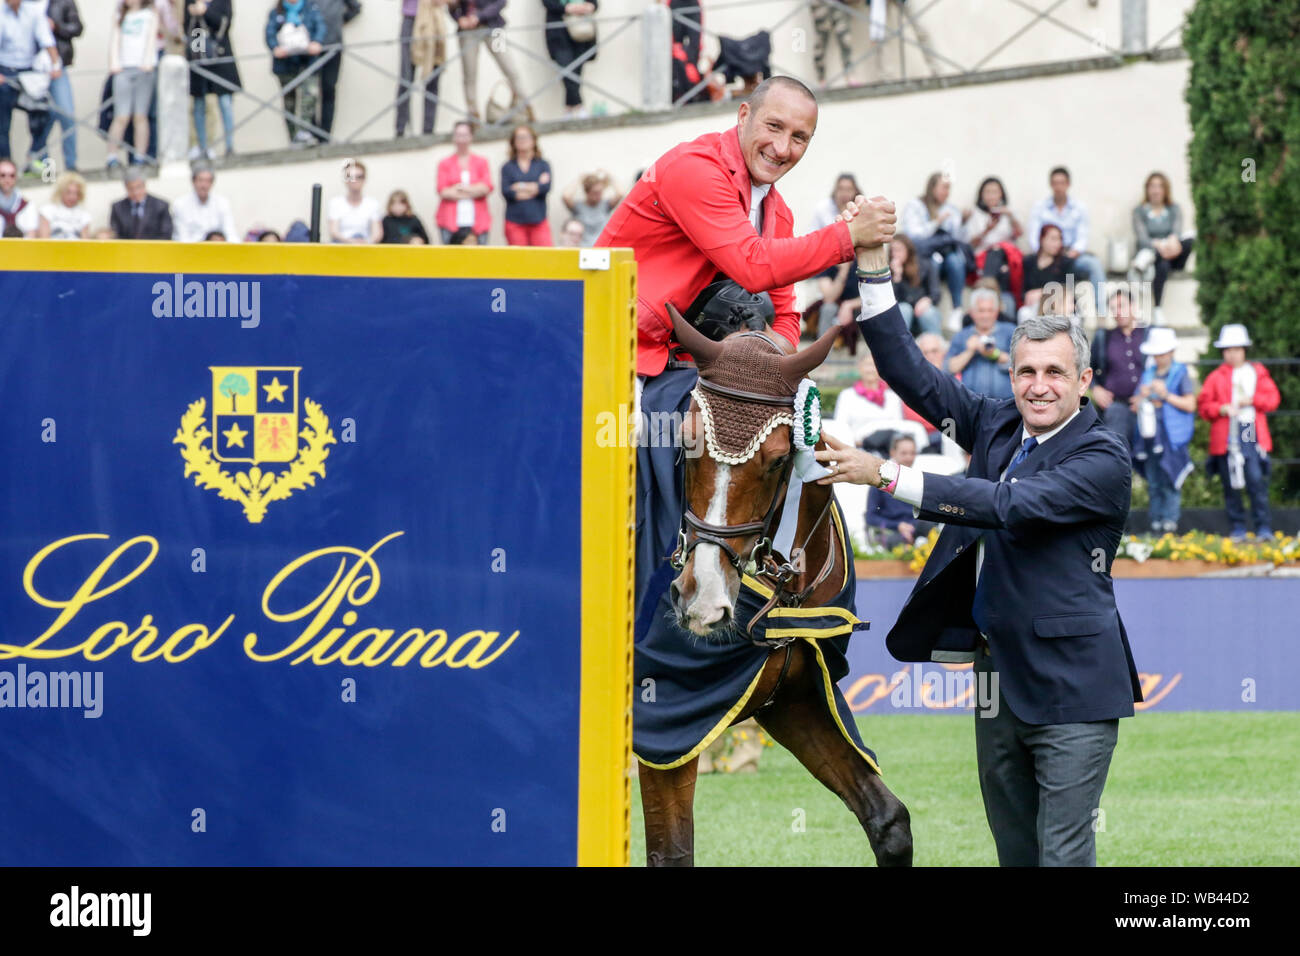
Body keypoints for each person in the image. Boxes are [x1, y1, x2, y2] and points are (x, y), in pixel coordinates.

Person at [821, 234, 1142, 866]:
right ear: (1010, 371)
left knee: (1063, 856)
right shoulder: (997, 422)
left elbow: (1007, 504)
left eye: (1055, 373)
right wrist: (874, 267)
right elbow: (907, 371)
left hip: (1075, 690)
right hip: (997, 681)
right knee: (1016, 856)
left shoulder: (1103, 456)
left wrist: (885, 475)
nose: (1039, 386)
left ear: (1083, 379)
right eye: (1026, 371)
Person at [595, 75, 894, 623]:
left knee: (790, 436)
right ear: (742, 117)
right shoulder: (694, 168)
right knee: (677, 438)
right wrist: (846, 239)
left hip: (682, 367)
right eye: (774, 127)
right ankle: (635, 612)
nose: (783, 148)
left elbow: (786, 315)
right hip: (612, 356)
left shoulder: (776, 211)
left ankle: (784, 584)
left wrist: (758, 361)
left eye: (800, 138)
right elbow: (753, 264)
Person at [1197, 324, 1280, 541]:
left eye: (1236, 349)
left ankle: (1263, 527)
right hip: (1226, 433)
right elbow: (1204, 406)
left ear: (1244, 350)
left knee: (1254, 477)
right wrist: (1222, 408)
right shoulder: (1216, 377)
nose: (1232, 354)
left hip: (1249, 428)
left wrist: (1252, 400)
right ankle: (1238, 527)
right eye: (1227, 350)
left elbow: (1272, 400)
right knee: (1230, 480)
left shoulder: (1257, 373)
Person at [1132, 327, 1196, 534]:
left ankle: (1170, 522)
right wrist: (1142, 396)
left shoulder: (1181, 372)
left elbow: (1190, 404)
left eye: (1162, 352)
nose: (1159, 357)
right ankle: (1156, 522)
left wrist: (1166, 395)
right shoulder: (1147, 374)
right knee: (1153, 481)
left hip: (1172, 438)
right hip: (1149, 436)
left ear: (1171, 352)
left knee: (1170, 479)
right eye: (1155, 353)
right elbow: (1134, 405)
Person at [1026, 166, 1106, 315]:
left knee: (1093, 264)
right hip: (1047, 253)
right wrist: (1047, 252)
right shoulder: (1040, 207)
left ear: (1068, 184)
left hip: (1071, 255)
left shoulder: (1079, 208)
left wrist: (1068, 255)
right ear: (1050, 185)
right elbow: (1034, 236)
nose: (1058, 187)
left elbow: (1082, 238)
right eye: (1055, 183)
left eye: (1062, 183)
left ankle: (1100, 311)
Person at [901, 171, 968, 327]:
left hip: (947, 255)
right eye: (944, 187)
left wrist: (964, 221)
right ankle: (931, 304)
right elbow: (914, 236)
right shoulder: (915, 206)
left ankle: (957, 308)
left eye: (949, 188)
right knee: (934, 263)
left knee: (955, 261)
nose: (947, 192)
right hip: (925, 255)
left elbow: (957, 238)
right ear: (932, 188)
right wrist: (937, 221)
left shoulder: (951, 209)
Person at [0, 0, 60, 173]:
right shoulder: (1, 13)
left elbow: (46, 40)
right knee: (3, 126)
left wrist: (55, 65)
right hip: (5, 72)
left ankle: (35, 155)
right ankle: (6, 170)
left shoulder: (33, 11)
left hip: (28, 72)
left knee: (48, 113)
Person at [1088, 287, 1147, 458]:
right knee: (1116, 455)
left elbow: (1162, 370)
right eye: (1113, 309)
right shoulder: (1103, 337)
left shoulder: (1149, 334)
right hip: (1115, 406)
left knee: (1153, 462)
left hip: (1149, 405)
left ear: (1134, 306)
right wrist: (1095, 388)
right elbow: (1087, 368)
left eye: (1122, 306)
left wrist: (1147, 396)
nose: (1118, 312)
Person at [1131, 171, 1195, 322]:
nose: (1156, 190)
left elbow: (1176, 233)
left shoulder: (1174, 209)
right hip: (1156, 254)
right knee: (1163, 265)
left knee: (1190, 240)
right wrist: (1159, 245)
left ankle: (1146, 259)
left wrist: (1171, 244)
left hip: (1173, 253)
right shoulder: (1139, 211)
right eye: (1152, 186)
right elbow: (1142, 238)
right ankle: (1158, 308)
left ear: (1165, 189)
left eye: (1159, 186)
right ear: (1147, 189)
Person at [449, 0, 526, 124]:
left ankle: (526, 108)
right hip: (468, 31)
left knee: (510, 68)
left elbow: (501, 2)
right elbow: (451, 5)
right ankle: (473, 115)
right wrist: (459, 19)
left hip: (494, 28)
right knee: (469, 74)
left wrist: (479, 16)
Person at [29, 0, 81, 175]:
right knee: (41, 120)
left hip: (57, 69)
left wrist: (56, 26)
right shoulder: (24, 5)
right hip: (33, 70)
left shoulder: (63, 2)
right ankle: (45, 170)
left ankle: (71, 167)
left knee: (66, 114)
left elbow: (77, 28)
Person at [265, 0, 327, 147]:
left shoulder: (310, 8)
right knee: (289, 102)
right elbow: (269, 33)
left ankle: (303, 131)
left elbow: (321, 27)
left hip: (307, 62)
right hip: (285, 65)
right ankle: (294, 138)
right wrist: (275, 47)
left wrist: (317, 41)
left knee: (310, 95)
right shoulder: (276, 12)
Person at [185, 0, 241, 160]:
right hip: (200, 55)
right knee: (199, 104)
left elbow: (225, 23)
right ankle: (203, 148)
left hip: (220, 54)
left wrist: (205, 12)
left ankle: (230, 147)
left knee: (225, 103)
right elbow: (188, 29)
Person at [105, 0, 158, 170]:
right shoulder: (120, 15)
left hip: (144, 69)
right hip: (123, 69)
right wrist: (114, 64)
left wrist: (148, 62)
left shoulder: (150, 15)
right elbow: (115, 40)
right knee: (121, 116)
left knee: (140, 116)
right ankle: (112, 156)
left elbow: (151, 39)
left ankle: (140, 156)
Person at [963, 176, 1022, 315]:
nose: (991, 196)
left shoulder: (1008, 213)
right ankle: (990, 292)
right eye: (987, 192)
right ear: (981, 195)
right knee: (997, 254)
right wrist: (987, 230)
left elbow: (1019, 233)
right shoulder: (975, 214)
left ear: (1001, 194)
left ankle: (987, 288)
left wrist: (1010, 216)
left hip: (1007, 258)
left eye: (995, 192)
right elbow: (970, 244)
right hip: (983, 258)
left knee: (1001, 257)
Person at [833, 350, 909, 454]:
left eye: (874, 365)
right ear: (859, 368)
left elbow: (898, 425)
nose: (871, 369)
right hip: (857, 449)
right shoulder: (847, 395)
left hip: (887, 451)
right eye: (867, 365)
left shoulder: (892, 397)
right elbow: (840, 426)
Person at [866, 435, 936, 548]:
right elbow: (871, 518)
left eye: (912, 453)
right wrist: (898, 526)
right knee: (896, 541)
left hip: (917, 529)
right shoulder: (879, 481)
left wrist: (911, 528)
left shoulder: (920, 480)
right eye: (904, 453)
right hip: (892, 532)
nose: (909, 457)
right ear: (893, 453)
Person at [946, 288, 1014, 399]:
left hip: (1005, 403)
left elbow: (1021, 366)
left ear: (997, 311)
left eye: (990, 310)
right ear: (972, 312)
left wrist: (995, 354)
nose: (986, 315)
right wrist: (969, 351)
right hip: (971, 404)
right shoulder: (961, 336)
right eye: (981, 311)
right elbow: (948, 369)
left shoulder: (1010, 332)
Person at [396, 0, 447, 137]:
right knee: (406, 78)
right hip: (411, 20)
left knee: (433, 77)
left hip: (434, 19)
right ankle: (401, 130)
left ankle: (428, 130)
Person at [435, 119, 491, 243]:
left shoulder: (481, 162)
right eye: (458, 135)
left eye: (465, 135)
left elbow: (486, 188)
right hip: (450, 221)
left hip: (478, 222)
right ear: (454, 137)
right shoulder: (445, 163)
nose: (461, 139)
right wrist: (474, 189)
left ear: (471, 137)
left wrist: (460, 188)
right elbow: (443, 191)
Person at [313, 0, 361, 143]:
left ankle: (325, 135)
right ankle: (312, 133)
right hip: (309, 49)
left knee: (328, 89)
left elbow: (355, 8)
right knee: (308, 94)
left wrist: (339, 21)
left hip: (333, 46)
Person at [543, 0, 597, 119]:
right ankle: (579, 106)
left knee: (576, 71)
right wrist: (568, 8)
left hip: (581, 30)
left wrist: (588, 7)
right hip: (558, 32)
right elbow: (548, 3)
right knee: (567, 69)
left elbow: (595, 3)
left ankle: (569, 108)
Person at [501, 123, 552, 246]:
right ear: (513, 142)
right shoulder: (508, 167)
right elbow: (507, 192)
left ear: (534, 140)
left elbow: (544, 188)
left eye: (526, 137)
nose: (522, 140)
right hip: (515, 222)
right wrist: (533, 187)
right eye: (519, 137)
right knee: (518, 261)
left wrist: (519, 186)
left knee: (543, 259)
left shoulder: (543, 165)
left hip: (538, 220)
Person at [1017, 223, 1076, 324]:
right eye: (1053, 239)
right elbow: (1023, 290)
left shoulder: (1067, 263)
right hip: (1033, 307)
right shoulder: (1029, 261)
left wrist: (1043, 292)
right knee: (1024, 313)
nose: (1057, 244)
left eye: (1059, 239)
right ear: (1042, 239)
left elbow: (1069, 289)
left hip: (1058, 308)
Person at [172, 160, 238, 241]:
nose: (204, 185)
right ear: (193, 181)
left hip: (217, 250)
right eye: (200, 180)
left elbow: (230, 233)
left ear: (212, 183)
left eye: (208, 181)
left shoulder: (222, 203)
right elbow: (182, 238)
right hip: (191, 251)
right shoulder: (180, 204)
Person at [890, 234, 942, 336]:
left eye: (898, 250)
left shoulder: (924, 265)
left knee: (928, 313)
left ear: (908, 250)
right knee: (905, 309)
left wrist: (927, 300)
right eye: (892, 250)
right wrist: (897, 277)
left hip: (922, 312)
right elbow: (891, 303)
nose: (895, 254)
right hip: (904, 315)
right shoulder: (889, 270)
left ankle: (936, 347)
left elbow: (936, 293)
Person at [110, 165, 172, 239]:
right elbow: (115, 235)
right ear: (126, 188)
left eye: (138, 187)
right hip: (126, 249)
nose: (135, 192)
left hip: (153, 249)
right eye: (131, 189)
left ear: (144, 185)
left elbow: (166, 235)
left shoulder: (161, 206)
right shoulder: (117, 208)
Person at [328, 158, 382, 243]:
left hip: (365, 247)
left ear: (365, 179)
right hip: (341, 246)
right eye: (350, 176)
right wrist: (351, 241)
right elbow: (334, 232)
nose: (355, 180)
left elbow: (377, 234)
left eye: (359, 177)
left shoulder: (372, 204)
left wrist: (364, 243)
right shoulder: (336, 203)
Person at [562, 169, 620, 245]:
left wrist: (609, 176)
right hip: (583, 249)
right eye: (595, 192)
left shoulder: (606, 206)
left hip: (601, 248)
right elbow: (566, 196)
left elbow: (620, 194)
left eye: (600, 192)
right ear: (587, 192)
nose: (598, 195)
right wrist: (579, 179)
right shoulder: (578, 207)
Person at [36, 169, 89, 238]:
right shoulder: (47, 211)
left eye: (76, 193)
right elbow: (44, 240)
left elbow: (85, 243)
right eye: (68, 192)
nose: (72, 197)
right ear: (60, 191)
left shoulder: (84, 215)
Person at [0, 157, 38, 235]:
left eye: (12, 175)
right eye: (3, 175)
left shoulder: (27, 206)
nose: (7, 179)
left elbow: (32, 236)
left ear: (16, 177)